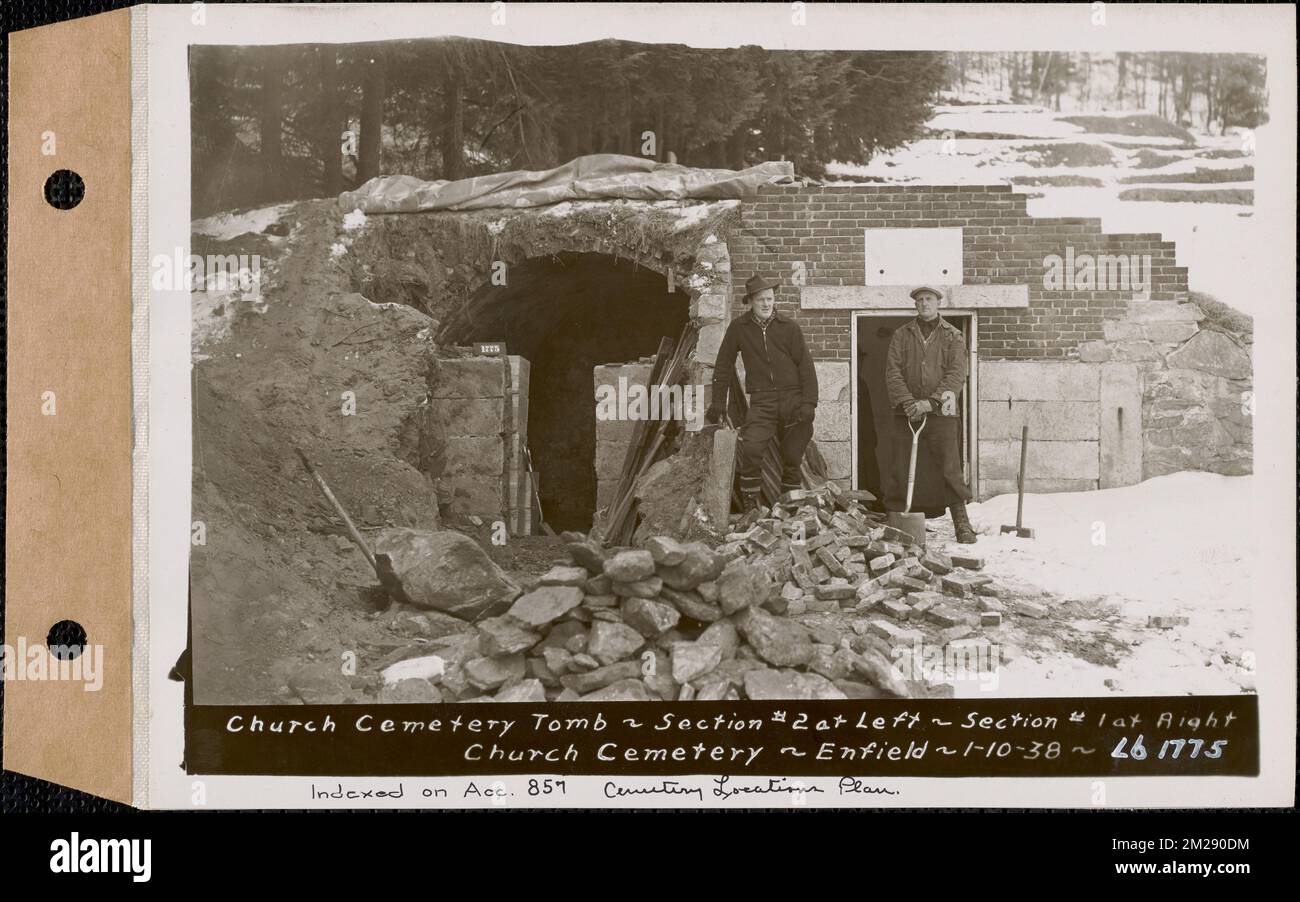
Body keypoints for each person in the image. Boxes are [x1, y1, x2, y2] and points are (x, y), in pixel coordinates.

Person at [706, 274, 819, 513]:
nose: (767, 304)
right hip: (762, 400)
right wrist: (718, 402)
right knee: (752, 448)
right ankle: (751, 509)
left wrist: (809, 403)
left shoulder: (789, 328)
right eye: (761, 300)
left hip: (793, 398)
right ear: (750, 303)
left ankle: (789, 508)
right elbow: (724, 364)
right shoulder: (739, 328)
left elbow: (806, 367)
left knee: (792, 454)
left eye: (770, 299)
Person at [884, 286, 977, 543]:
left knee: (950, 466)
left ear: (938, 303)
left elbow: (956, 373)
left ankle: (962, 522)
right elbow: (893, 371)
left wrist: (931, 403)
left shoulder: (953, 336)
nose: (924, 303)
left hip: (942, 413)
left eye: (929, 299)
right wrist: (908, 402)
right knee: (901, 464)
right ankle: (898, 519)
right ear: (915, 305)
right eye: (920, 300)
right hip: (907, 412)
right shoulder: (902, 335)